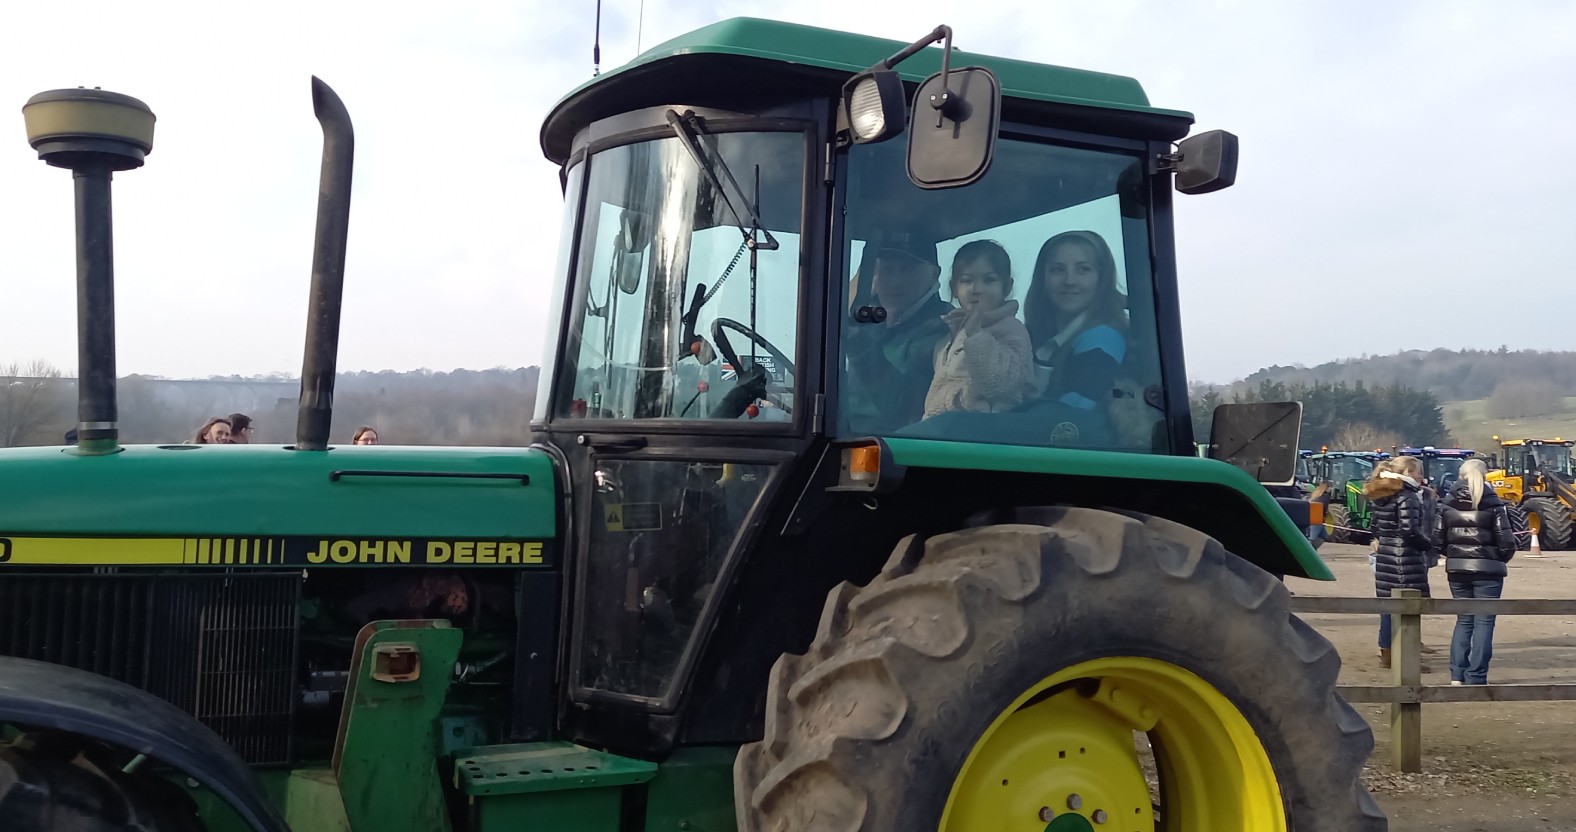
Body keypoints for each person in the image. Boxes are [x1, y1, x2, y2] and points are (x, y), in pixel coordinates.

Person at [842, 229, 954, 432]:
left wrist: (855, 337)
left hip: (899, 452)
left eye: (908, 270)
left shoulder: (945, 326)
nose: (895, 282)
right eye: (887, 269)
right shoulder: (864, 318)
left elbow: (904, 406)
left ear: (934, 274)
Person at [922, 240, 1035, 418]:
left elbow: (1004, 385)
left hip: (982, 436)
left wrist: (976, 336)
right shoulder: (947, 338)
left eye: (989, 280)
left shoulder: (1012, 330)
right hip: (941, 435)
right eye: (966, 280)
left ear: (1007, 286)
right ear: (954, 288)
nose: (977, 289)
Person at [1023, 230, 1129, 414]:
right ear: (1043, 278)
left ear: (1102, 278)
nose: (1069, 281)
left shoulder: (1101, 339)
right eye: (1058, 269)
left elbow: (1071, 417)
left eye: (1083, 269)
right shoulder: (1040, 340)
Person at [1434, 458, 1516, 685]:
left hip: (1458, 570)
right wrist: (1498, 559)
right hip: (1488, 571)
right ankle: (1476, 676)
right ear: (1486, 476)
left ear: (1461, 476)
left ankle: (1456, 675)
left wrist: (1453, 555)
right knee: (1484, 622)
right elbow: (1507, 542)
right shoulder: (1494, 504)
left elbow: (1437, 540)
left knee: (1464, 620)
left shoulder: (1447, 503)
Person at [1366, 456, 1436, 670]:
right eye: (1418, 472)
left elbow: (1375, 527)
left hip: (1387, 557)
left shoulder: (1382, 494)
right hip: (1404, 560)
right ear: (1406, 472)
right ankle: (1406, 661)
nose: (1421, 477)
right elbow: (1409, 531)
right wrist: (1428, 545)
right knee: (1408, 609)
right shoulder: (1407, 496)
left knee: (1389, 607)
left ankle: (1388, 655)